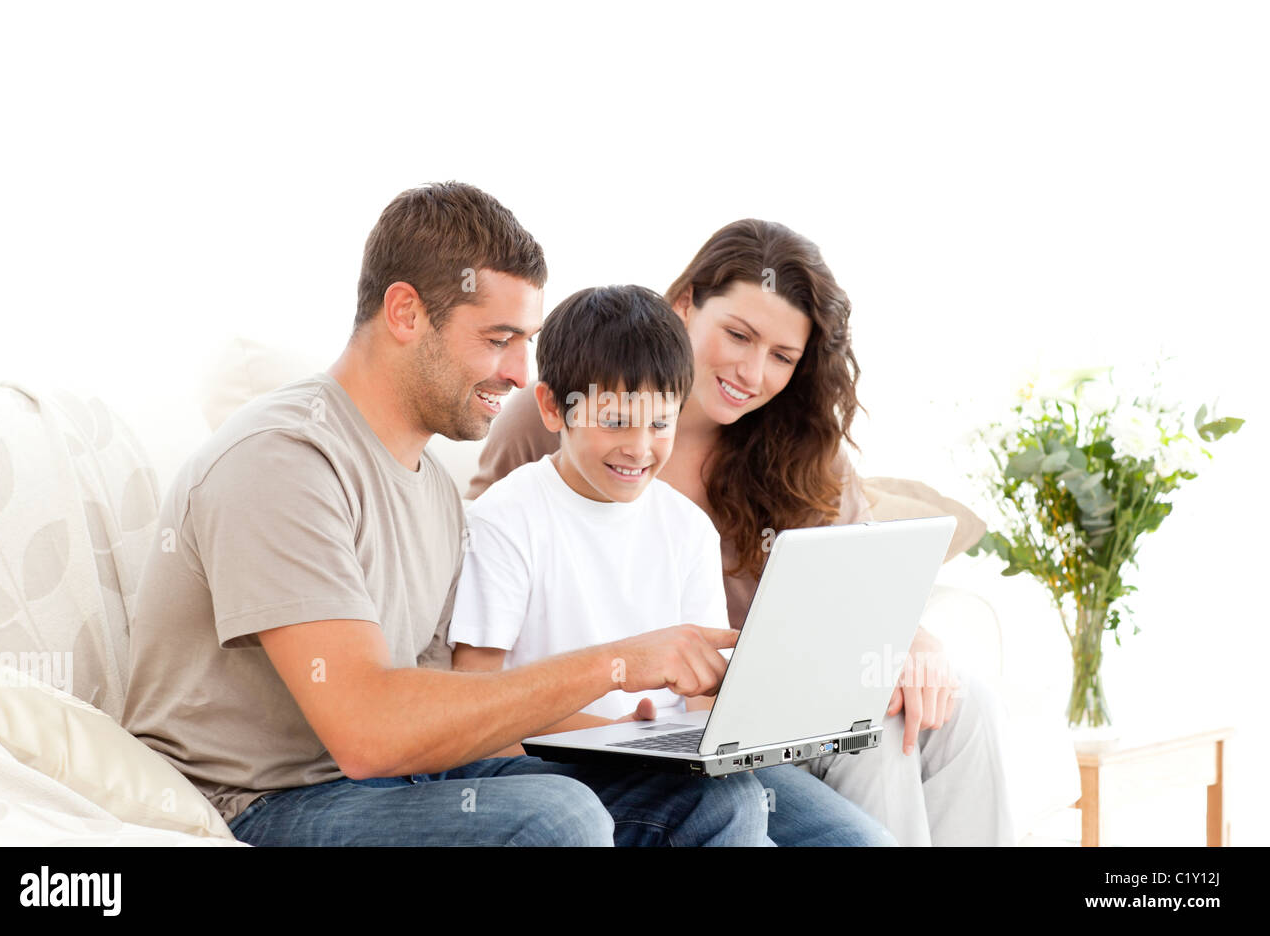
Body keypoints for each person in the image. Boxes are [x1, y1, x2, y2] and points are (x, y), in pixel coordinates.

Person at [120, 182, 773, 846]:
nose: (520, 373)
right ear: (405, 313)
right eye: (499, 339)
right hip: (261, 800)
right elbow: (369, 733)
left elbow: (445, 706)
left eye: (527, 342)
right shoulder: (283, 459)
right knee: (558, 817)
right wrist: (618, 664)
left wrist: (628, 739)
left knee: (714, 802)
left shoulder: (432, 488)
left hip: (404, 782)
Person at [468, 219, 1020, 846]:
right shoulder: (554, 419)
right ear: (685, 306)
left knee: (961, 701)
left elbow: (862, 587)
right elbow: (480, 585)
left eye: (782, 357)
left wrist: (914, 638)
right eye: (738, 334)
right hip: (641, 727)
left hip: (758, 714)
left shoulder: (800, 452)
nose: (753, 372)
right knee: (883, 737)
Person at [448, 284, 895, 846]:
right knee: (726, 805)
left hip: (665, 759)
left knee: (860, 840)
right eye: (614, 421)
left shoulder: (686, 529)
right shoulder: (505, 520)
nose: (639, 447)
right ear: (551, 408)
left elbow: (700, 699)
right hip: (536, 765)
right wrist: (611, 735)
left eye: (660, 423)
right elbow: (471, 703)